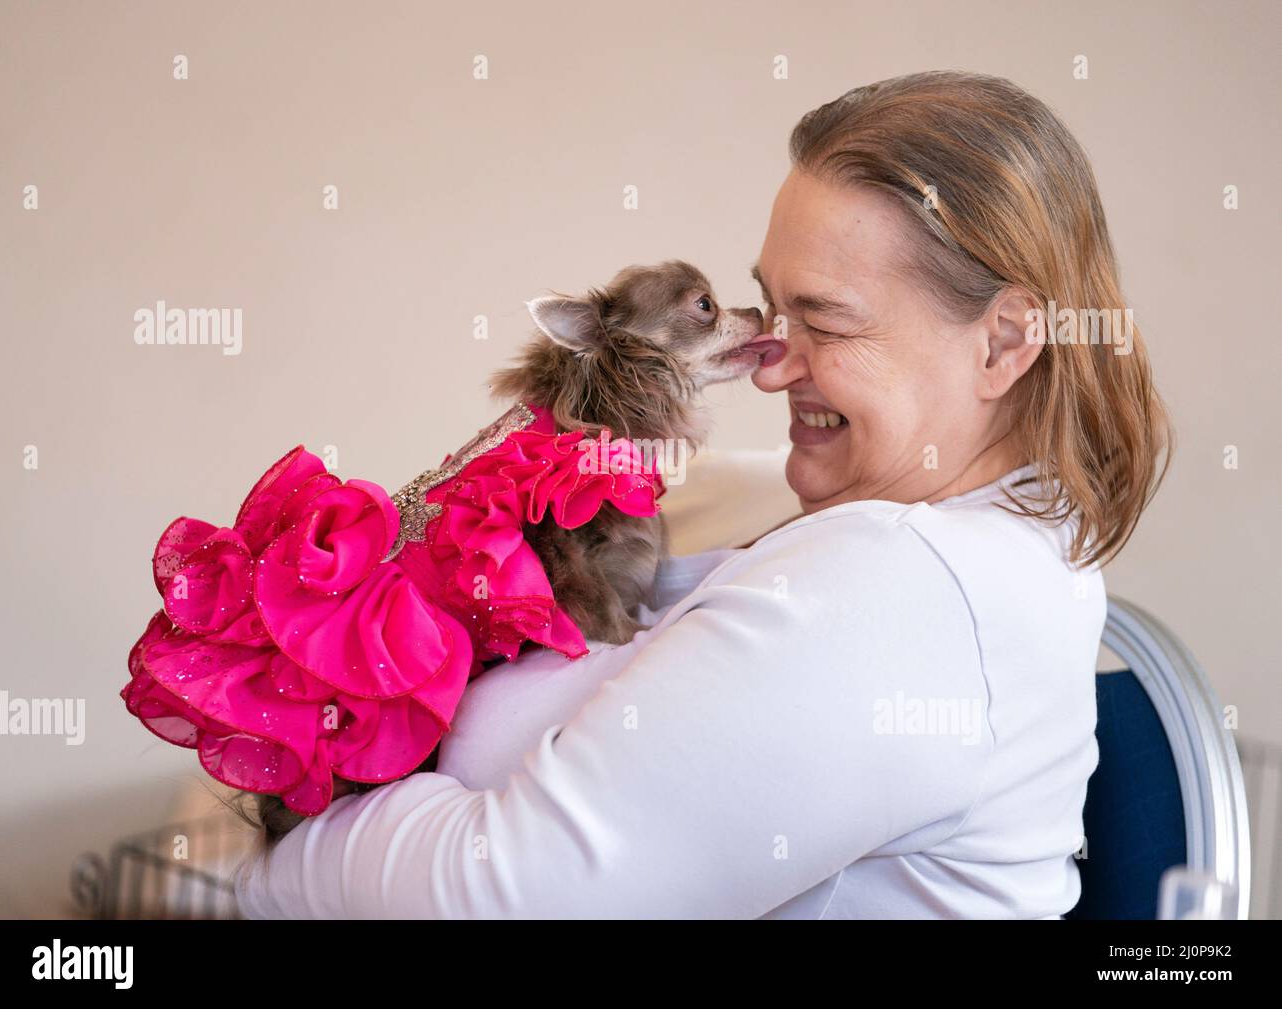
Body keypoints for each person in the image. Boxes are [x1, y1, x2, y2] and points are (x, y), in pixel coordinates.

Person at [234, 70, 1169, 919]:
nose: (768, 368)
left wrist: (274, 865)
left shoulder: (905, 588)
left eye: (828, 321)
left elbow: (507, 897)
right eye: (773, 304)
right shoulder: (889, 523)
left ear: (1003, 344)